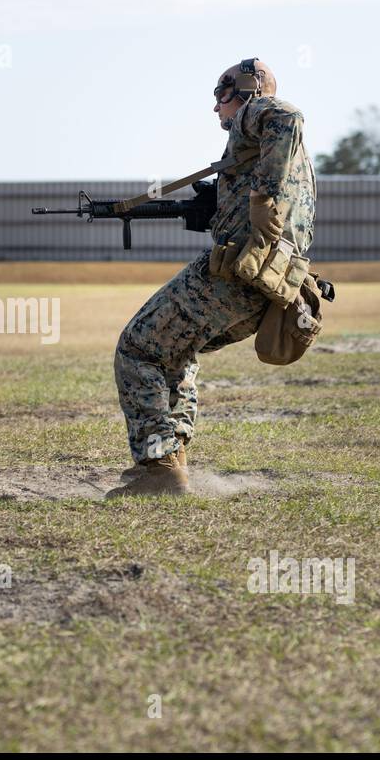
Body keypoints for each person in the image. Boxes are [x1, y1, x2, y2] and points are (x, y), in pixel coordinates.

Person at [106, 58, 316, 498]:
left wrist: (261, 198)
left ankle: (159, 466)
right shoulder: (278, 156)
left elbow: (287, 115)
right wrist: (224, 208)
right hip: (271, 286)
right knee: (177, 350)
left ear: (243, 92)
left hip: (233, 275)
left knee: (138, 348)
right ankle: (172, 458)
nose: (217, 110)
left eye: (220, 97)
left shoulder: (257, 114)